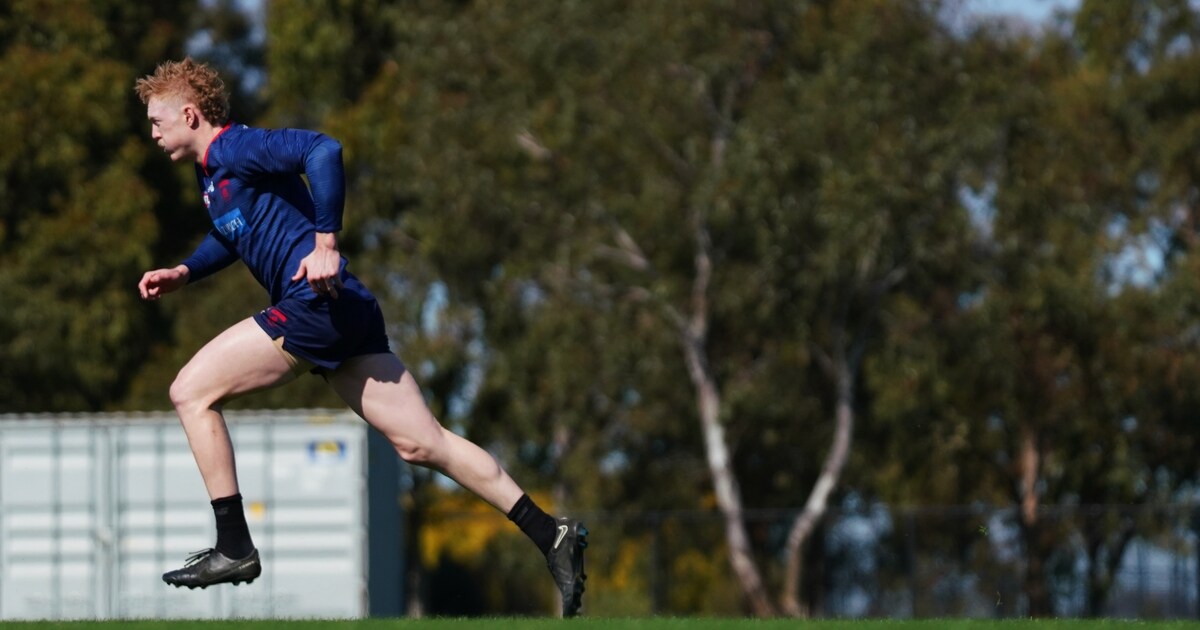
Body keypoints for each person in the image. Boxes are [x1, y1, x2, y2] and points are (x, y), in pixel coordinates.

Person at [133, 58, 588, 617]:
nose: (153, 133)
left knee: (190, 392)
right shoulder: (212, 176)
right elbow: (232, 234)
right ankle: (551, 535)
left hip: (312, 304)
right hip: (342, 307)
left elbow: (322, 149)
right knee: (423, 443)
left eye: (157, 121)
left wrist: (326, 243)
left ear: (189, 113)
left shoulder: (233, 148)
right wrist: (185, 272)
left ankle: (234, 545)